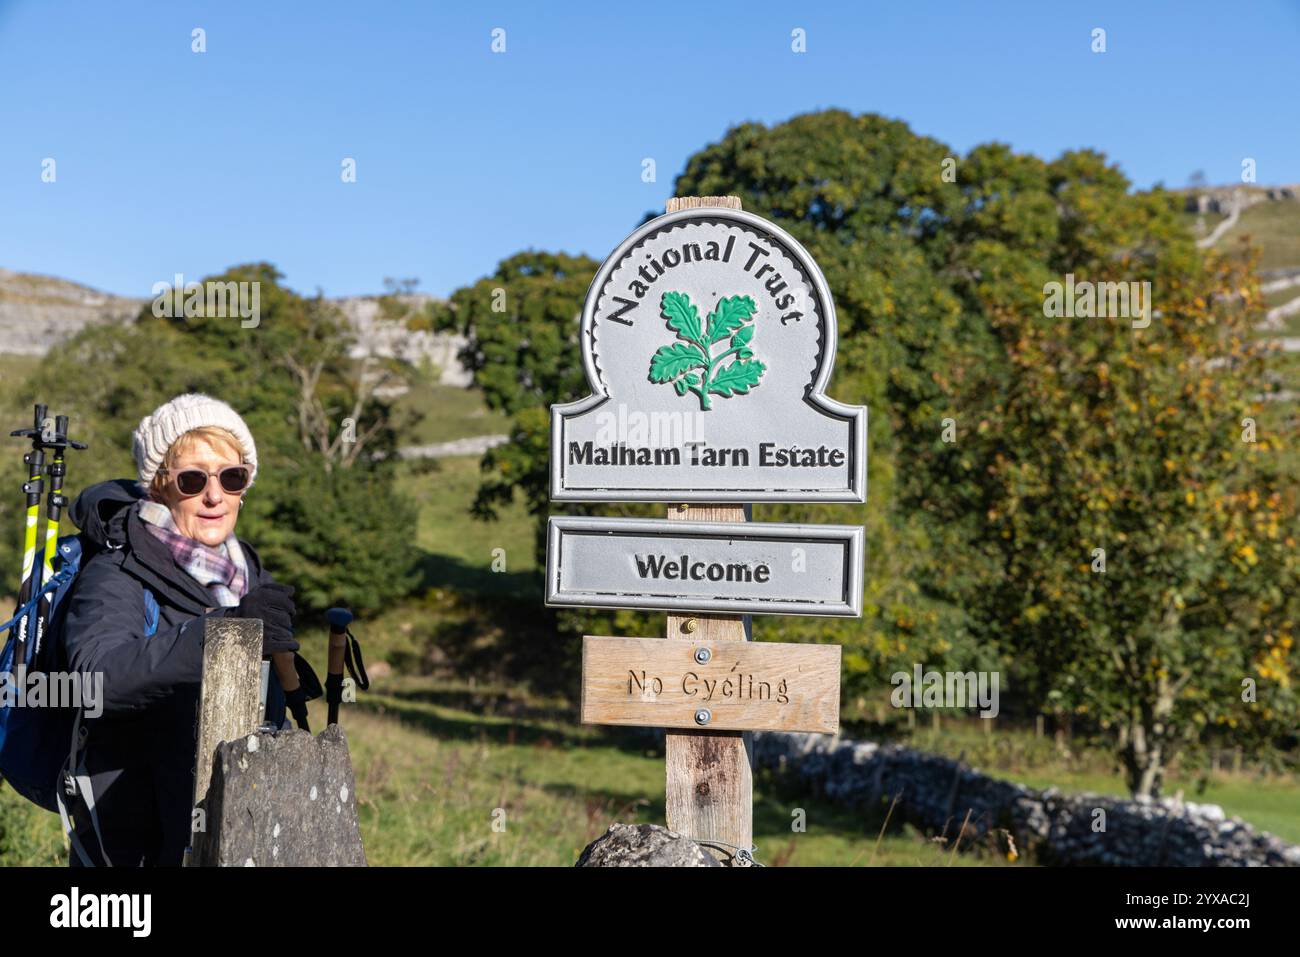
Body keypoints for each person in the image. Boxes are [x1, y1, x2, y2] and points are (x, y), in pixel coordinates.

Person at [60, 393, 299, 866]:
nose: (214, 495)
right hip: (136, 836)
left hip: (232, 819)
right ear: (158, 485)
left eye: (231, 477)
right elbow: (93, 678)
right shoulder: (116, 568)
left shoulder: (244, 570)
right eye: (192, 479)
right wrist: (220, 635)